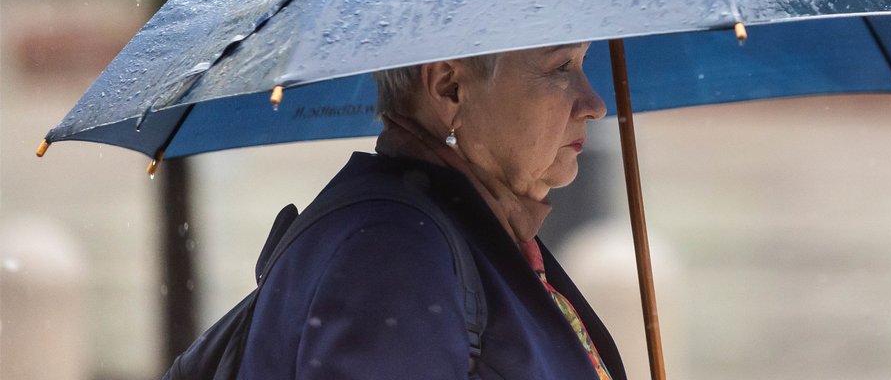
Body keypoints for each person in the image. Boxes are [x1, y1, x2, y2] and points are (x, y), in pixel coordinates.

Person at [237, 42, 623, 380]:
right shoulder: (391, 253)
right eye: (560, 68)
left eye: (581, 63)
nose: (595, 104)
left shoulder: (460, 230)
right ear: (449, 88)